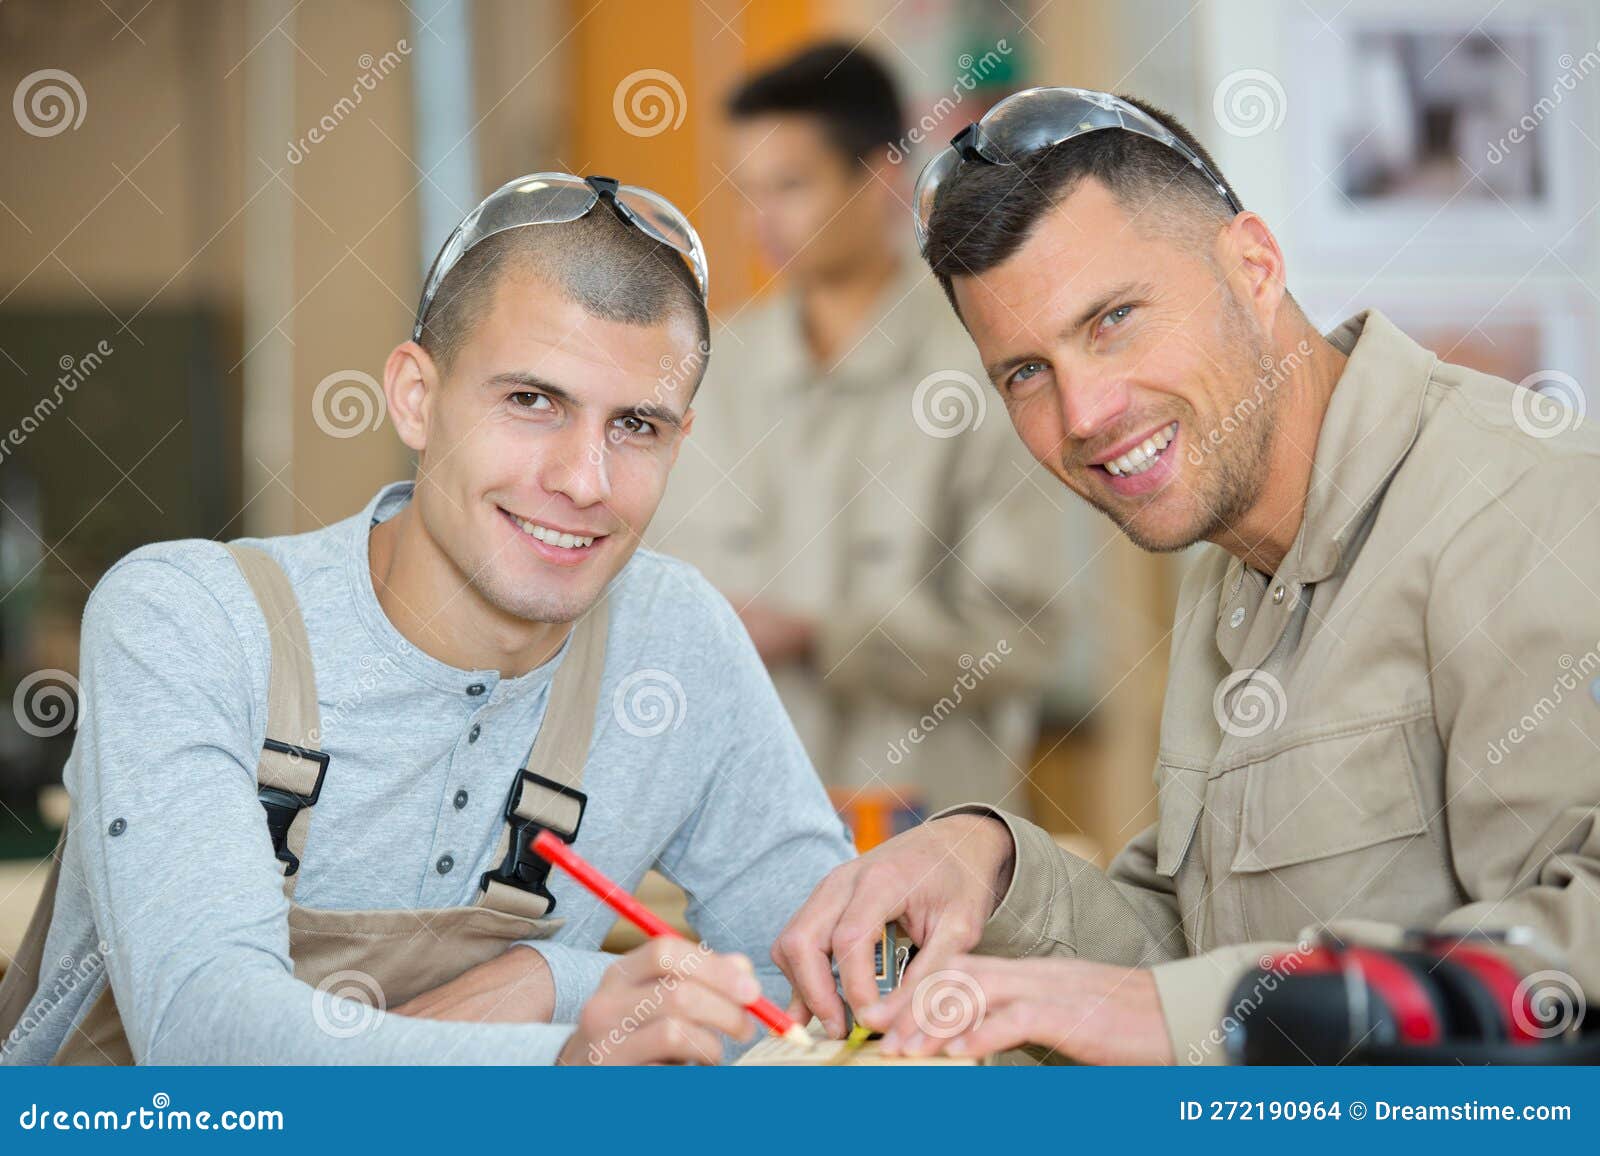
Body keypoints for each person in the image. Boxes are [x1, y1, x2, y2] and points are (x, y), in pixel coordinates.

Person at [771, 89, 1600, 1064]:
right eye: (1024, 372)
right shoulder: (1228, 543)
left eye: (1113, 318)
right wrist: (988, 861)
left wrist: (1183, 1016)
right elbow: (1196, 952)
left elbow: (1573, 974)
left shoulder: (1526, 508)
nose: (1083, 413)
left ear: (1252, 266)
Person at [0, 174, 852, 1066]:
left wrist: (544, 978)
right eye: (532, 401)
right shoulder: (189, 620)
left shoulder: (675, 644)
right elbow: (205, 1034)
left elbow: (828, 980)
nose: (584, 481)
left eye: (636, 424)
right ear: (414, 396)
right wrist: (566, 1044)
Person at [650, 43, 1068, 818]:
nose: (760, 222)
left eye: (791, 186)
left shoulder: (985, 368)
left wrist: (819, 637)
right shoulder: (706, 369)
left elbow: (1024, 638)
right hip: (727, 828)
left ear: (879, 179)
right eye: (749, 192)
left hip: (925, 838)